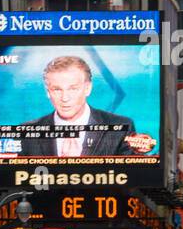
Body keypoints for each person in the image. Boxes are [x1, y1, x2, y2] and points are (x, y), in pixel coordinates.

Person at [17, 55, 156, 158]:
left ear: (88, 88)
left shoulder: (120, 128)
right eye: (57, 89)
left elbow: (131, 181)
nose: (65, 98)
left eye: (73, 89)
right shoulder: (28, 132)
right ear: (48, 92)